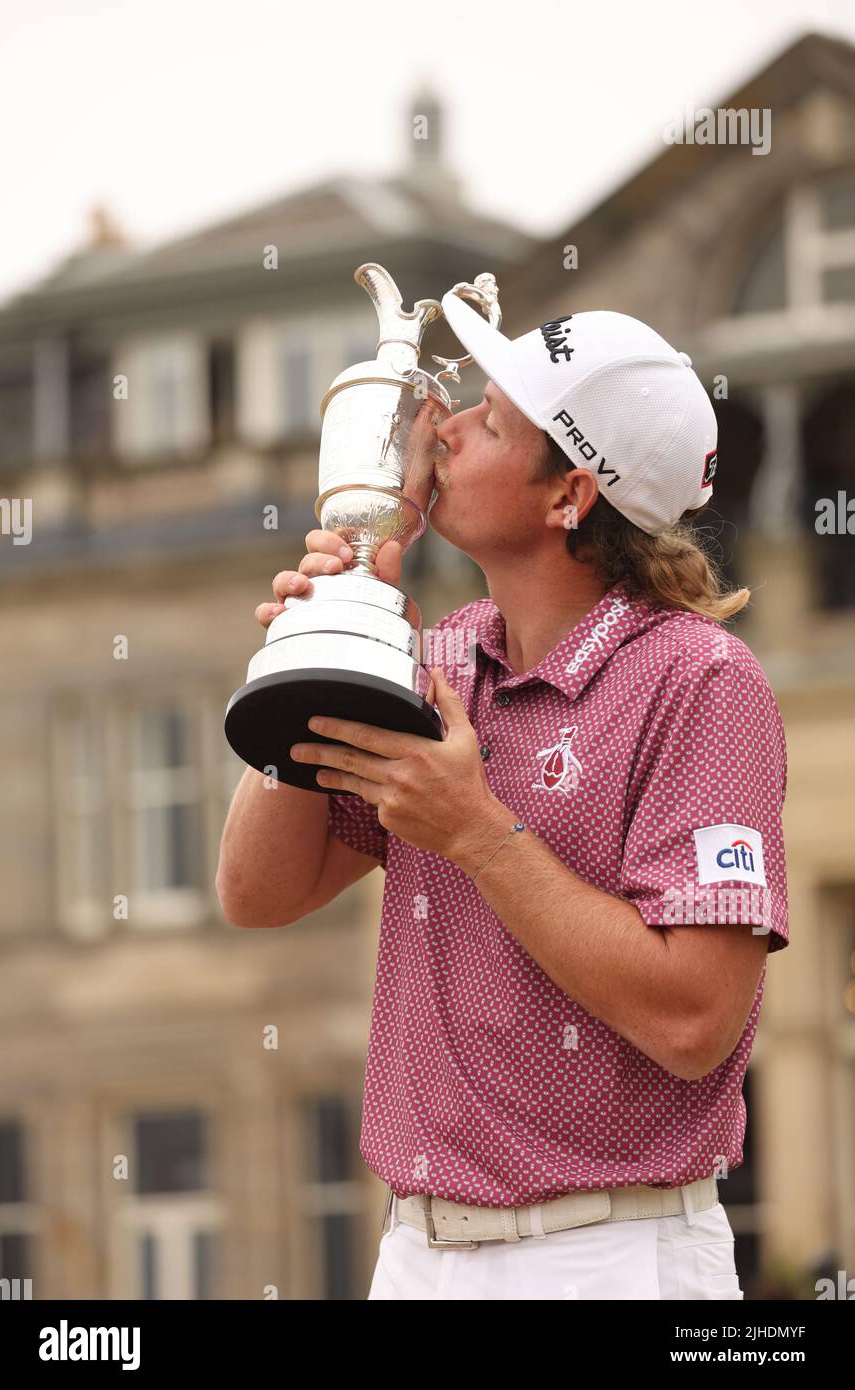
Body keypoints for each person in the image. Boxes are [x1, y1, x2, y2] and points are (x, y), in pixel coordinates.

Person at [216, 300, 789, 1301]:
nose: (441, 429)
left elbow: (695, 1020)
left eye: (487, 417)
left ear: (567, 494)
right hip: (415, 1254)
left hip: (607, 1257)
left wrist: (477, 833)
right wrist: (324, 635)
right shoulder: (438, 652)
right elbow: (258, 892)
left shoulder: (700, 680)